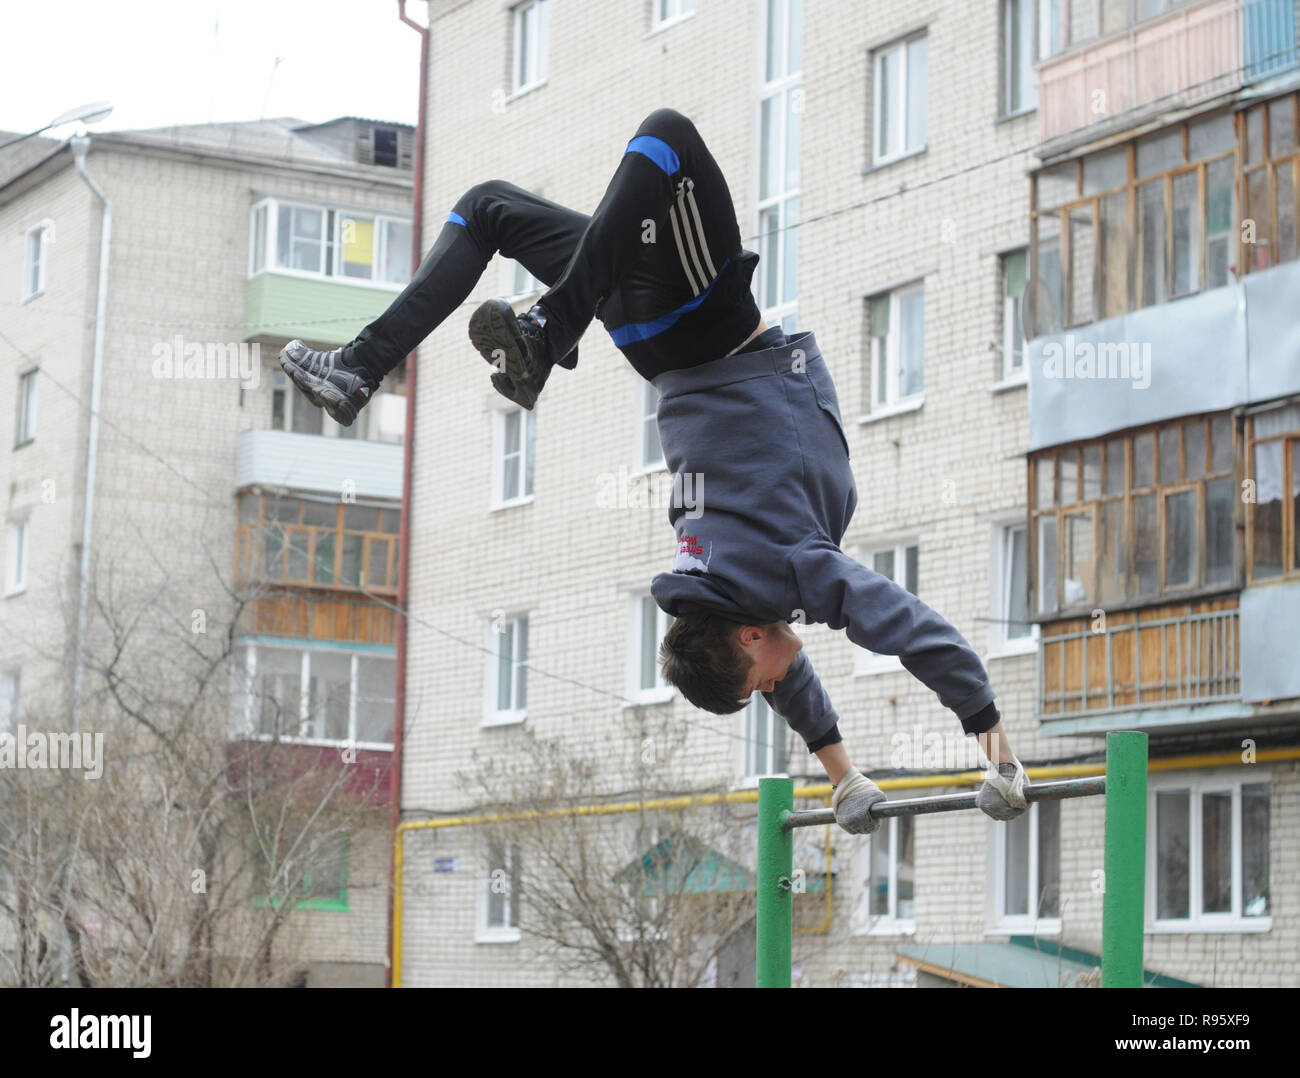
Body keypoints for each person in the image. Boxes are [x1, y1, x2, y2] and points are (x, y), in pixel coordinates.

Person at [278, 107, 1031, 832]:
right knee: (488, 210)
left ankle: (537, 332)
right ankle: (362, 368)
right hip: (644, 334)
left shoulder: (796, 572)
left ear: (746, 639)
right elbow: (781, 672)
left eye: (762, 679)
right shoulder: (702, 581)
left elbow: (924, 638)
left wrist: (1000, 758)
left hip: (707, 325)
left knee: (667, 136)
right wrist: (844, 775)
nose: (779, 680)